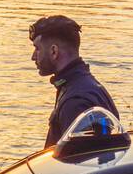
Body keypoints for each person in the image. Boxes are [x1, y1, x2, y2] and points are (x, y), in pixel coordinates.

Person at [29, 15, 119, 148]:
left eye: (37, 48)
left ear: (54, 51)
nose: (33, 56)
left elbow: (76, 164)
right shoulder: (87, 86)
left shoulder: (75, 101)